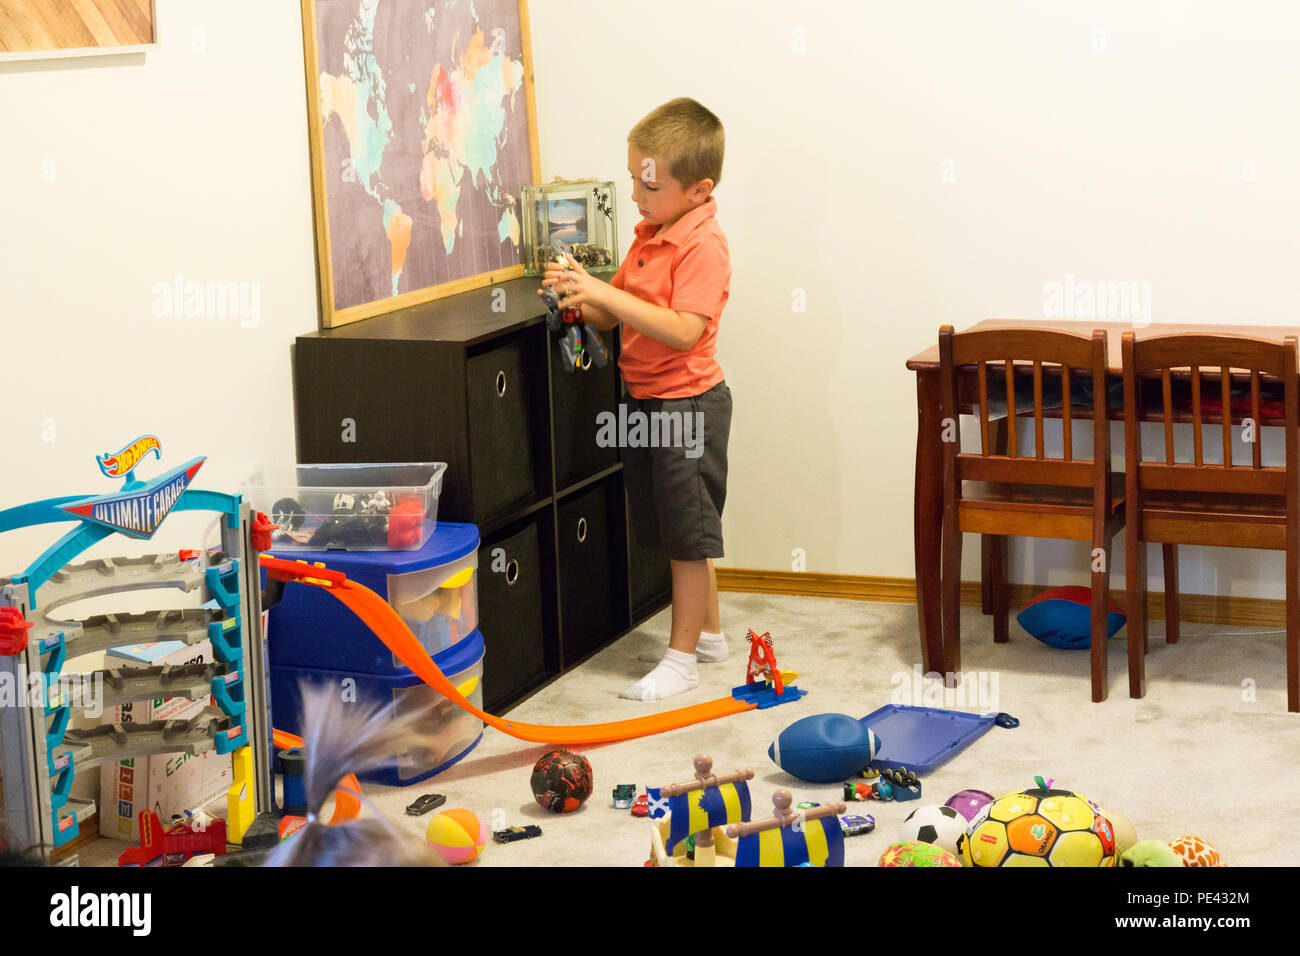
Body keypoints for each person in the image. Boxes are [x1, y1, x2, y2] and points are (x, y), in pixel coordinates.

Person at [539, 97, 732, 701]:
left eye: (649, 185)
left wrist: (604, 295)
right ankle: (710, 636)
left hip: (687, 408)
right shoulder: (649, 238)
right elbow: (609, 311)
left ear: (698, 190)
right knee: (677, 526)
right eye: (632, 179)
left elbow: (681, 328)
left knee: (687, 536)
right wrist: (575, 295)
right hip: (648, 402)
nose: (635, 197)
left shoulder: (704, 246)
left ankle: (680, 663)